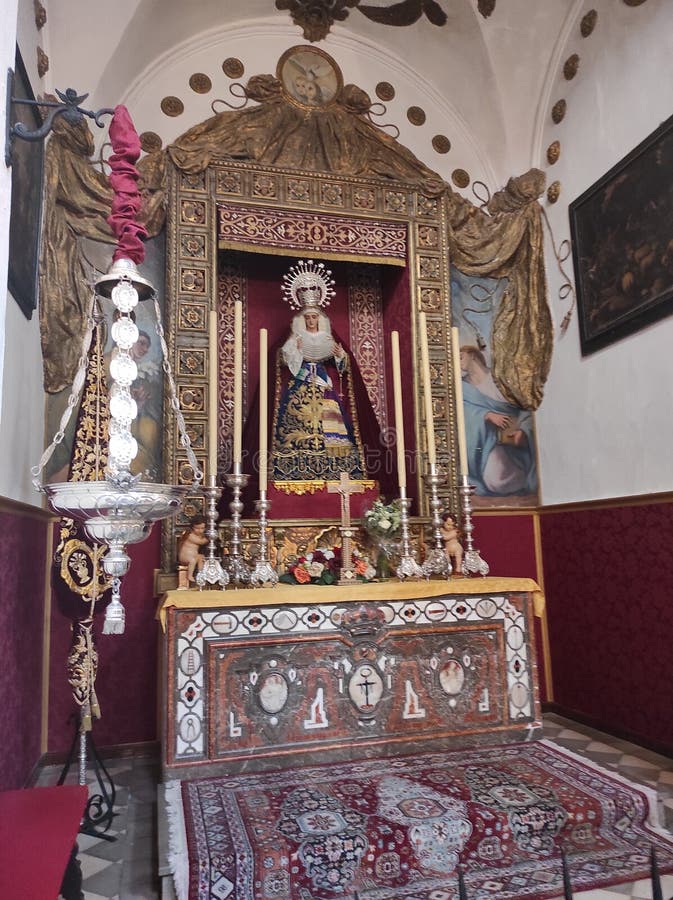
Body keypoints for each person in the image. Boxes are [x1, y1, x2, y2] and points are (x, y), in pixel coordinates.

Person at [272, 261, 368, 485]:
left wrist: (339, 355)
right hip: (303, 380)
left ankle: (336, 461)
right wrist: (292, 350)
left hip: (323, 382)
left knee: (331, 417)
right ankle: (295, 456)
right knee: (298, 415)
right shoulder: (296, 338)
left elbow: (344, 367)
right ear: (301, 320)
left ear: (320, 319)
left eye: (314, 317)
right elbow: (283, 359)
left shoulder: (327, 338)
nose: (311, 320)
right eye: (307, 318)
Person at [460, 344, 537, 497]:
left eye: (461, 357)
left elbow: (524, 404)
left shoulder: (500, 377)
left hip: (513, 432)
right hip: (487, 439)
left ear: (473, 355)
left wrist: (522, 429)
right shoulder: (462, 387)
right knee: (498, 481)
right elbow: (463, 412)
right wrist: (486, 414)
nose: (459, 362)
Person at [177, 516, 208, 584]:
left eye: (202, 528)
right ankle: (189, 576)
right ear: (192, 527)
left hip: (193, 556)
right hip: (185, 557)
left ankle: (201, 574)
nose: (200, 530)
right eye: (197, 528)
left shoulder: (199, 535)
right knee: (192, 560)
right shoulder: (190, 535)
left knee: (201, 557)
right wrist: (210, 538)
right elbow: (201, 542)